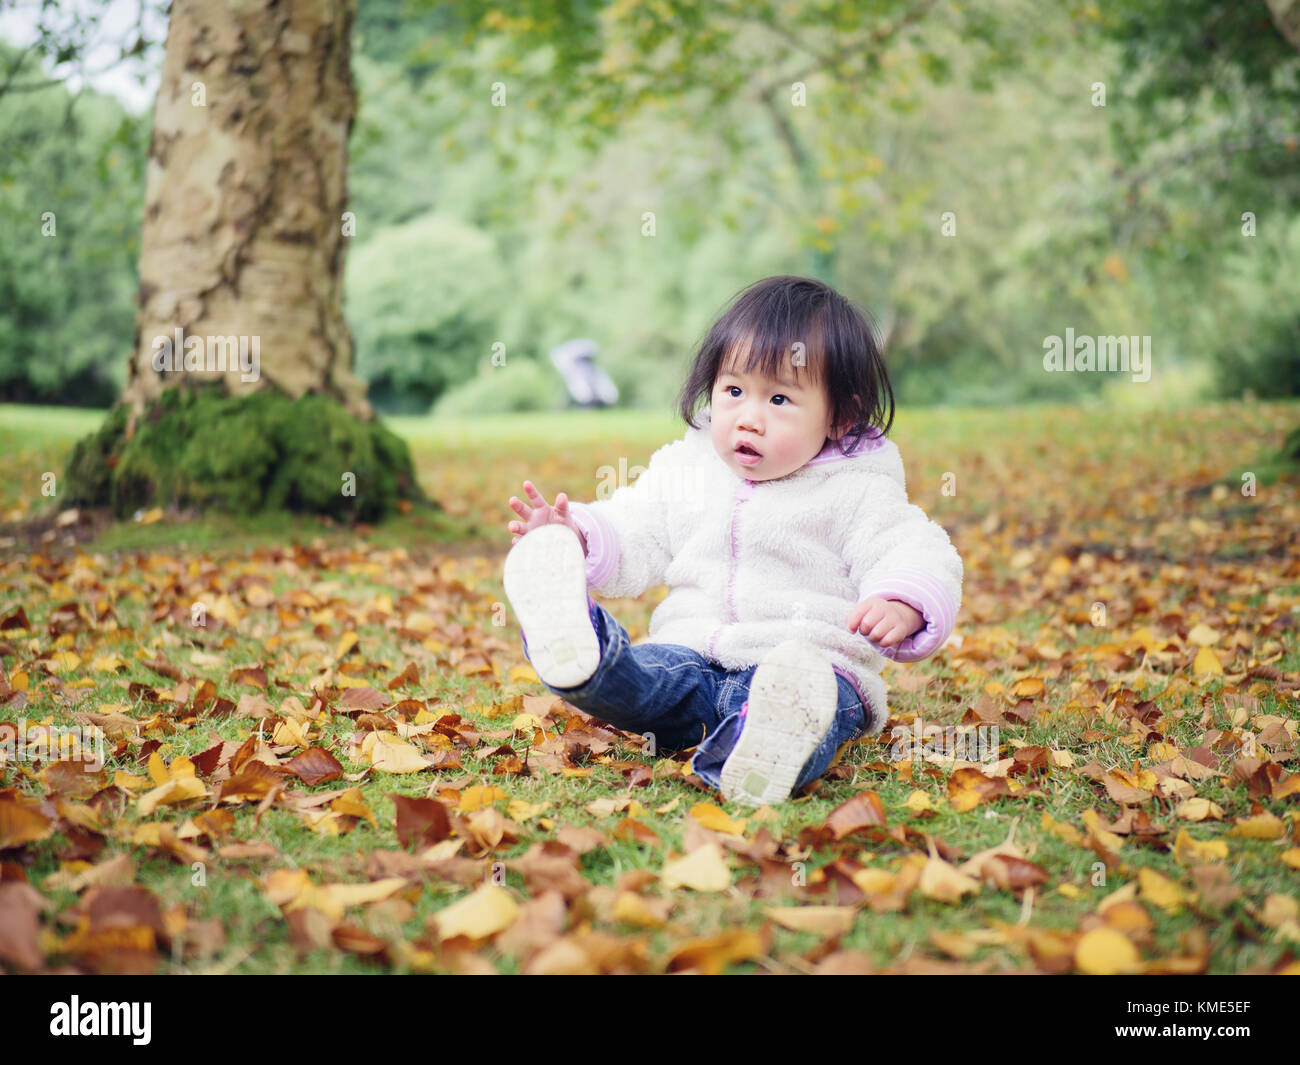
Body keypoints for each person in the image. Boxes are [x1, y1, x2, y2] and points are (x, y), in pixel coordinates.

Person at [502, 275, 962, 807]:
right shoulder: (688, 468)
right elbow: (637, 524)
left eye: (781, 399)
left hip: (806, 668)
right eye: (735, 391)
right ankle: (579, 647)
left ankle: (764, 746)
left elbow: (912, 548)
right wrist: (576, 536)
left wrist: (902, 601)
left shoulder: (857, 490)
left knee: (810, 708)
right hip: (691, 659)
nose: (749, 418)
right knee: (641, 681)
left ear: (840, 417)